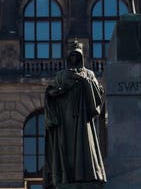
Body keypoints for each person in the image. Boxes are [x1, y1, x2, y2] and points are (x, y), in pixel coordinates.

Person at [44, 41, 106, 189]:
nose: (74, 58)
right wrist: (61, 89)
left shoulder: (89, 74)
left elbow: (99, 94)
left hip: (83, 119)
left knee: (85, 147)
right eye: (71, 55)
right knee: (66, 148)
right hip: (65, 119)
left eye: (76, 55)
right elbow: (50, 94)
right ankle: (66, 177)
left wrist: (85, 82)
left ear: (81, 56)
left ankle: (88, 176)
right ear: (68, 56)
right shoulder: (61, 75)